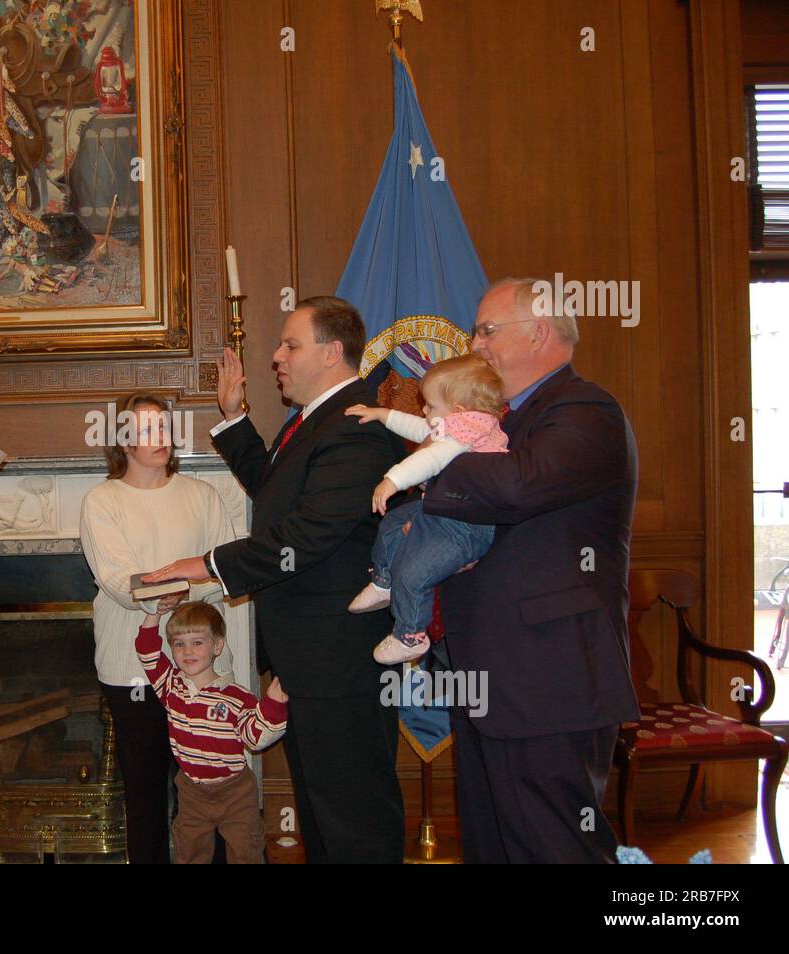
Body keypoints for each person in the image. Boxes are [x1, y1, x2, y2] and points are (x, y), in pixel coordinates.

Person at [146, 296, 407, 864]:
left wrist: (208, 563)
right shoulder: (315, 421)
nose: (276, 356)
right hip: (310, 659)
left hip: (340, 656)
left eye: (291, 344)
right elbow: (274, 487)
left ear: (332, 352)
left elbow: (311, 532)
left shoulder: (357, 424)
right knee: (323, 812)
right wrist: (234, 415)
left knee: (354, 815)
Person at [422, 277, 639, 863]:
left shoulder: (583, 408)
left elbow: (519, 486)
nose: (475, 344)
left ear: (539, 332)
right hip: (491, 678)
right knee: (494, 846)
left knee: (557, 848)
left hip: (550, 680)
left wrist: (432, 464)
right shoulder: (505, 419)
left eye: (487, 330)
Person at [79, 391, 244, 864]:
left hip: (203, 670)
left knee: (210, 791)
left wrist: (176, 591)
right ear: (121, 441)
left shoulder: (202, 495)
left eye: (164, 427)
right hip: (133, 672)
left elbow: (228, 571)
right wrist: (175, 586)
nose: (159, 438)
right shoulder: (102, 501)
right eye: (145, 429)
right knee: (146, 793)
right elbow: (118, 582)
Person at [345, 353, 509, 664]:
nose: (424, 409)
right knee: (392, 524)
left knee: (414, 572)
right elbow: (422, 429)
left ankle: (410, 635)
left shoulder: (465, 434)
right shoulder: (457, 426)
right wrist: (383, 414)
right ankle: (383, 581)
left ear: (458, 410)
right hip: (440, 512)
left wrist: (392, 480)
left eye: (431, 405)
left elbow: (430, 458)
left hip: (465, 527)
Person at [135, 601, 287, 864]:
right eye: (179, 644)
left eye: (197, 642)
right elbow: (147, 650)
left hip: (235, 792)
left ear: (217, 646)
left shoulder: (236, 697)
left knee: (246, 852)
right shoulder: (172, 688)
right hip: (192, 791)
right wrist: (154, 612)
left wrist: (273, 703)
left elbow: (257, 738)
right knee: (190, 852)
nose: (187, 651)